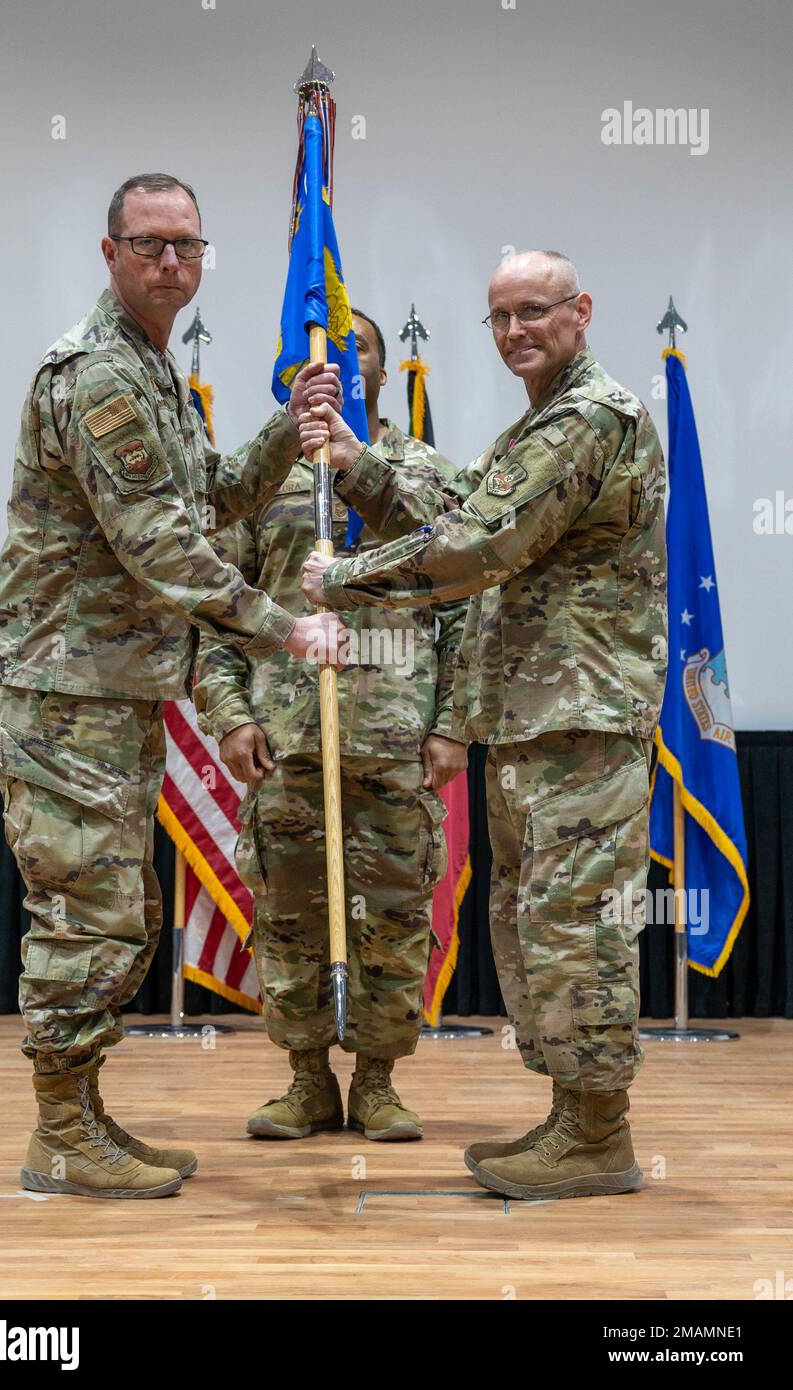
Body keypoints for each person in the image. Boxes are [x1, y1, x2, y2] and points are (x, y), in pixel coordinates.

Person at [0, 172, 345, 1199]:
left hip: (109, 691)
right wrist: (285, 628)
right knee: (86, 916)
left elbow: (214, 498)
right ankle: (58, 1134)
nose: (172, 263)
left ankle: (85, 1118)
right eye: (149, 245)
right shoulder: (99, 374)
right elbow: (164, 550)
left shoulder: (153, 373)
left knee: (117, 909)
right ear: (111, 254)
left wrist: (288, 423)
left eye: (188, 244)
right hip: (65, 696)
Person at [299, 251, 668, 1199]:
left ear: (580, 311)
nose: (514, 333)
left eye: (534, 312)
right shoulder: (538, 424)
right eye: (498, 318)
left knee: (574, 927)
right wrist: (362, 467)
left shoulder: (591, 417)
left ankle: (598, 1135)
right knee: (532, 923)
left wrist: (342, 580)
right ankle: (572, 1119)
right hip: (537, 721)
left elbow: (480, 545)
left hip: (580, 722)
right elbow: (460, 510)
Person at [195, 309, 468, 1141]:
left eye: (358, 352)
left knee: (391, 920)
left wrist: (453, 723)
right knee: (290, 916)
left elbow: (466, 607)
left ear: (382, 374)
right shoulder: (260, 481)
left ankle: (378, 1082)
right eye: (325, 355)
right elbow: (215, 609)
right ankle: (307, 1080)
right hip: (288, 738)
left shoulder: (424, 477)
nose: (341, 364)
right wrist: (230, 714)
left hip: (395, 740)